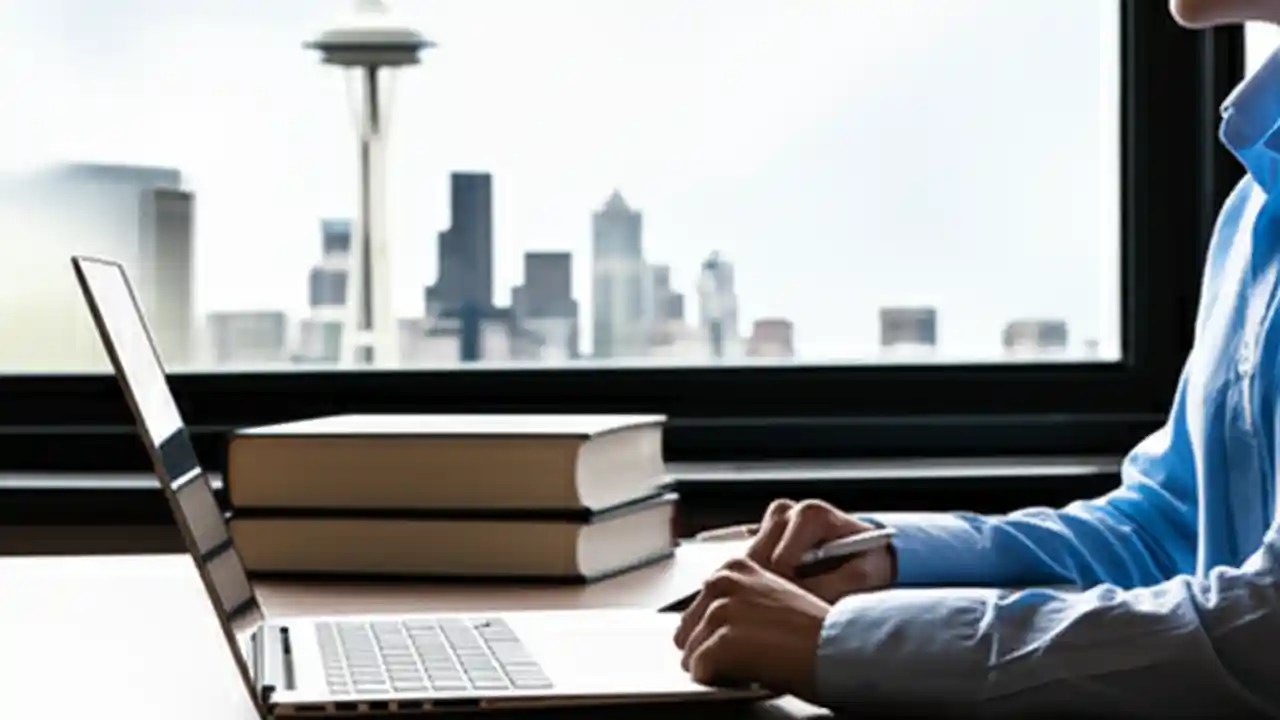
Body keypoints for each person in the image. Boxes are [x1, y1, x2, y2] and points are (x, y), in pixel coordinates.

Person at [674, 1, 1280, 715]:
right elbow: (1163, 530)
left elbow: (1265, 637)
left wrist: (839, 640)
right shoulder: (1257, 204)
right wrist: (891, 556)